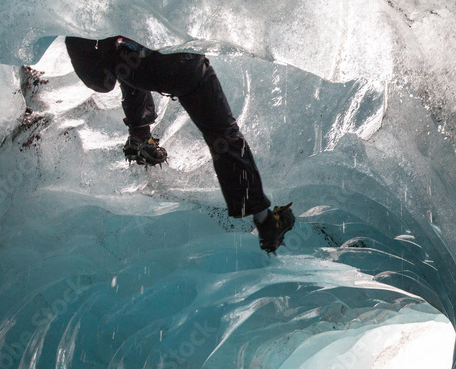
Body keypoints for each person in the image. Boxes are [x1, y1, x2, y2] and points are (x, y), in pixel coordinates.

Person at [63, 35, 294, 254]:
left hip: (133, 66)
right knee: (223, 136)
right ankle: (265, 221)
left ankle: (140, 134)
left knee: (128, 55)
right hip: (183, 70)